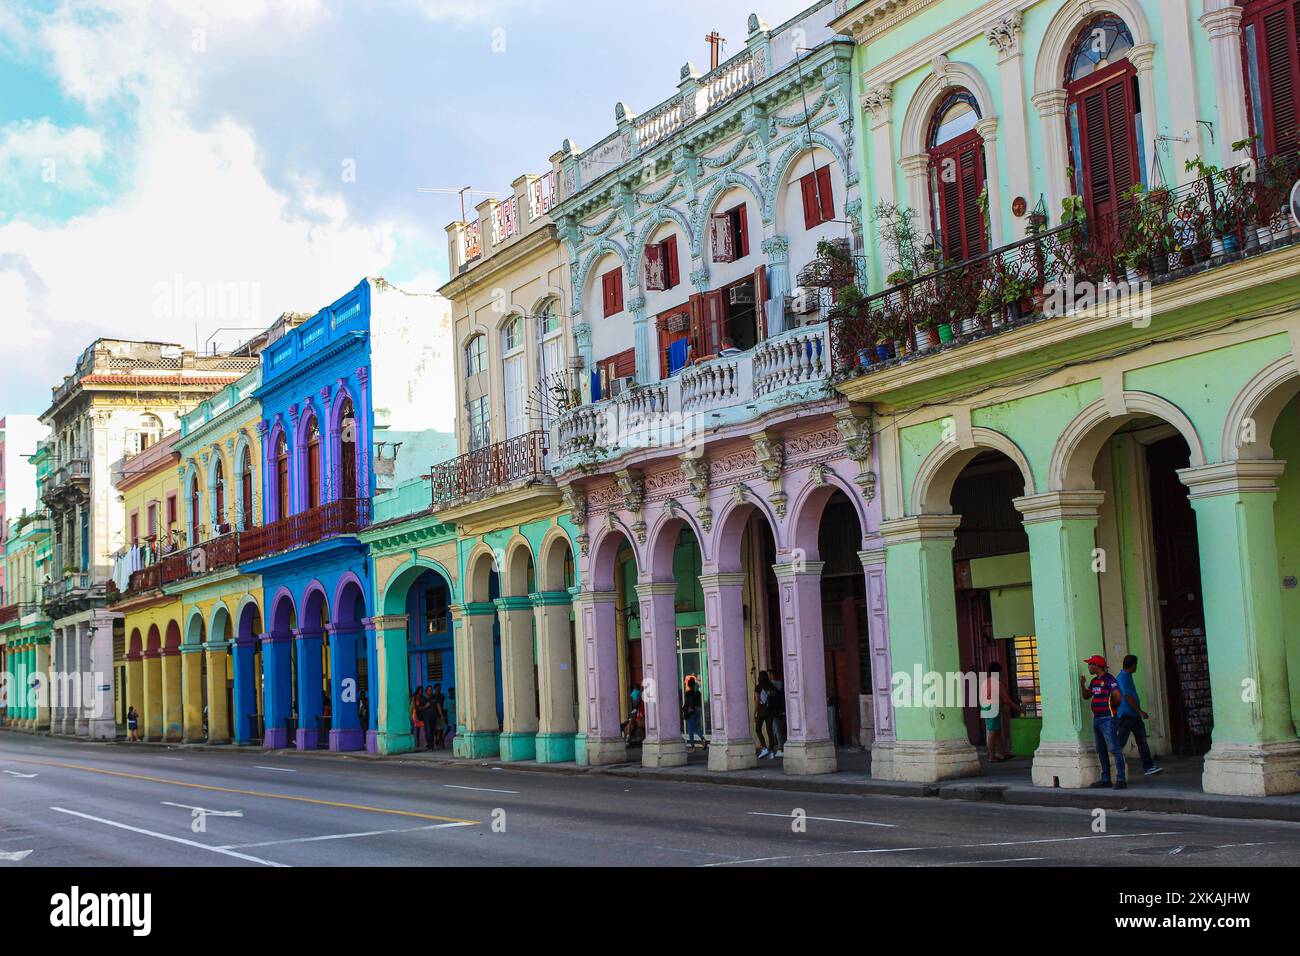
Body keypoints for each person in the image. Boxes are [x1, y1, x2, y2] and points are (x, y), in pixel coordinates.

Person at [1080, 654, 1126, 789]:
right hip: (1097, 719)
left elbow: (1118, 697)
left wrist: (1111, 708)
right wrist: (1082, 685)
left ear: (1097, 665)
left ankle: (1121, 779)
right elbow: (1087, 696)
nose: (1088, 667)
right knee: (1101, 749)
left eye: (1090, 664)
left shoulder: (1109, 679)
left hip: (1107, 719)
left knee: (1114, 749)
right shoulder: (1094, 681)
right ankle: (1105, 778)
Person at [1115, 654, 1162, 777]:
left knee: (1141, 741)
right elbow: (1128, 697)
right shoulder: (1123, 677)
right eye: (1136, 664)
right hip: (1126, 715)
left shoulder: (1127, 676)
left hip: (1133, 714)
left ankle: (1149, 766)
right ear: (1132, 665)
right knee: (1121, 742)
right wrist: (1140, 711)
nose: (1137, 667)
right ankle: (1114, 766)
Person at [982, 662, 1021, 762]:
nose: (1002, 673)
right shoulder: (996, 683)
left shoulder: (986, 682)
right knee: (992, 732)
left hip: (986, 707)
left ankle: (1002, 753)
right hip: (993, 707)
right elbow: (1006, 699)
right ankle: (992, 756)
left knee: (997, 731)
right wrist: (1017, 708)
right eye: (1001, 671)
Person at [764, 674, 785, 759]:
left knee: (777, 730)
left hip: (775, 712)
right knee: (779, 730)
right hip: (781, 710)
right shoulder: (781, 685)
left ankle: (781, 749)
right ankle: (780, 747)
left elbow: (768, 699)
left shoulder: (771, 686)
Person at [754, 671, 775, 758]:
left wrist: (754, 712)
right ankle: (772, 751)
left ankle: (764, 747)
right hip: (770, 711)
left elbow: (757, 701)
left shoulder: (758, 687)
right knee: (770, 731)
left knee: (758, 729)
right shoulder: (771, 685)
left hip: (761, 711)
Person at [681, 677, 705, 751]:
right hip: (698, 710)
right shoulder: (698, 693)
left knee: (690, 730)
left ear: (688, 685)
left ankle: (692, 746)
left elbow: (687, 703)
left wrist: (683, 709)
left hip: (691, 712)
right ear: (694, 685)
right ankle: (702, 738)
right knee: (697, 727)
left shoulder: (688, 693)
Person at [420, 685, 438, 751]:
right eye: (429, 690)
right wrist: (425, 706)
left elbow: (437, 705)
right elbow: (420, 708)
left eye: (431, 690)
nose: (430, 691)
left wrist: (441, 715)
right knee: (428, 731)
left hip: (434, 716)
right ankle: (430, 746)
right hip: (426, 717)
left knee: (433, 731)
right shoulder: (423, 698)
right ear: (426, 691)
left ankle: (432, 745)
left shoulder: (434, 697)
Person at [430, 683, 447, 749]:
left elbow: (443, 705)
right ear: (435, 688)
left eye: (439, 688)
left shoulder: (442, 696)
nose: (439, 689)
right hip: (435, 714)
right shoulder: (433, 696)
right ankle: (437, 740)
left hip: (441, 714)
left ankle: (440, 741)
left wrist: (443, 714)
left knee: (441, 729)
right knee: (436, 729)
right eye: (438, 688)